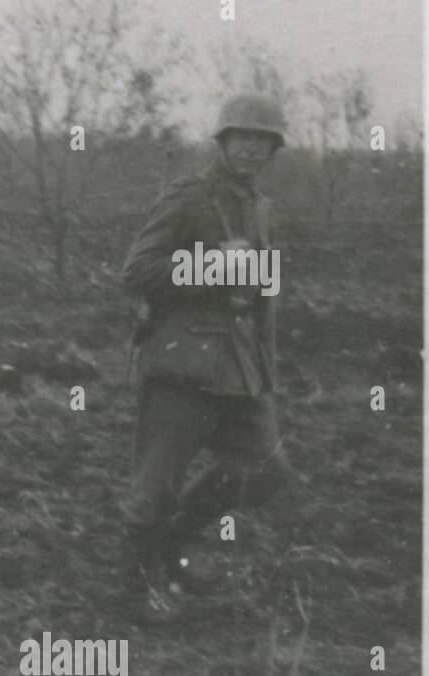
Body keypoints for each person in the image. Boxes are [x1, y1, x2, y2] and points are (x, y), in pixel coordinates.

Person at [120, 93, 294, 618]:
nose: (252, 150)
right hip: (183, 362)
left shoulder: (260, 207)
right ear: (222, 141)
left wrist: (270, 363)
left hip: (242, 365)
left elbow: (264, 291)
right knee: (157, 482)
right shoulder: (188, 197)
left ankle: (171, 545)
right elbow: (137, 271)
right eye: (243, 138)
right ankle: (137, 588)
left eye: (263, 142)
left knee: (266, 469)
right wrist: (210, 265)